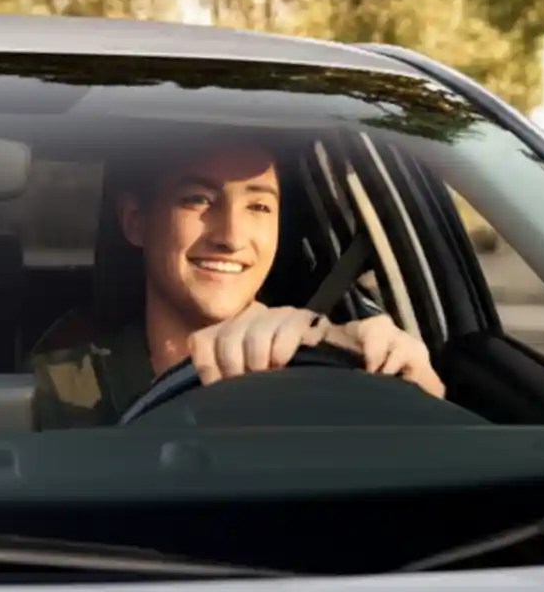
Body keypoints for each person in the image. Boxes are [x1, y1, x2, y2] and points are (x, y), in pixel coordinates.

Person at [30, 136, 444, 428]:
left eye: (259, 205)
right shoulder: (64, 386)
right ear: (136, 221)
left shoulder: (335, 367)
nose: (229, 236)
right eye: (197, 199)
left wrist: (408, 390)